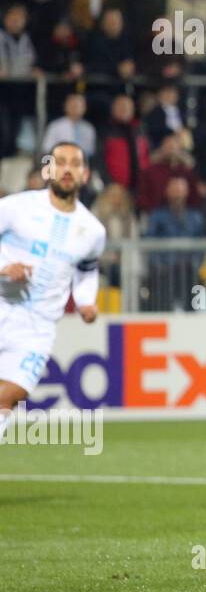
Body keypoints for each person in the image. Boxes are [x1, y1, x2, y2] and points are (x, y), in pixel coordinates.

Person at [0, 144, 106, 439]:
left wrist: (86, 301)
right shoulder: (15, 207)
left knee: (10, 396)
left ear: (85, 174)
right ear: (49, 170)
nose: (68, 169)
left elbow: (86, 269)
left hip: (37, 327)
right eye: (60, 162)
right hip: (2, 304)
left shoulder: (93, 231)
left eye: (75, 163)